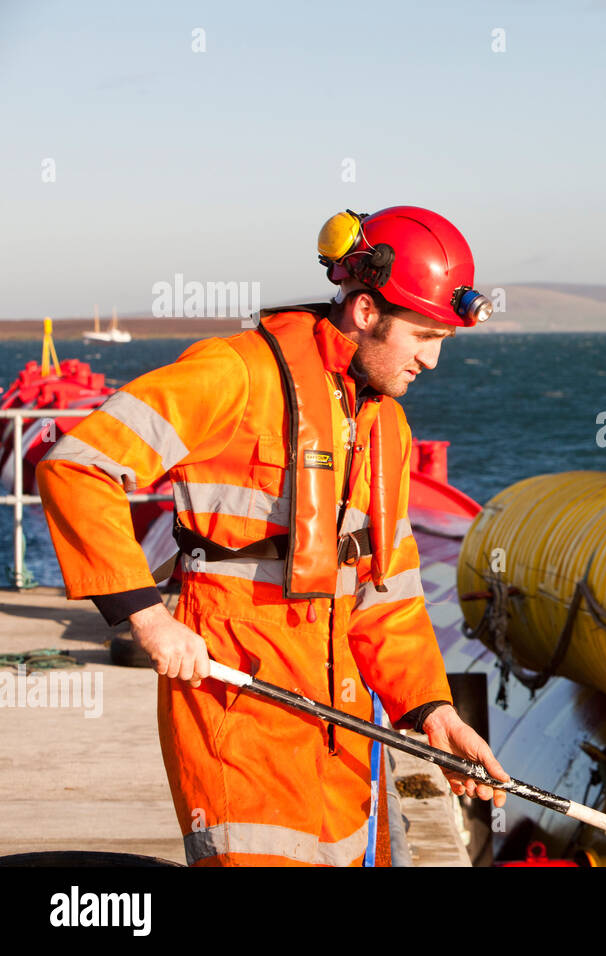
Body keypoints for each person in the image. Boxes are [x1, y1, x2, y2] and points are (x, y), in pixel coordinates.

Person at [36, 205, 509, 866]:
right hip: (238, 708)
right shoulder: (235, 374)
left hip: (341, 730)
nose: (431, 360)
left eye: (443, 342)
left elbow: (389, 596)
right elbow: (80, 465)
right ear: (367, 312)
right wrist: (146, 619)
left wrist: (433, 712)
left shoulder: (387, 431)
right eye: (423, 335)